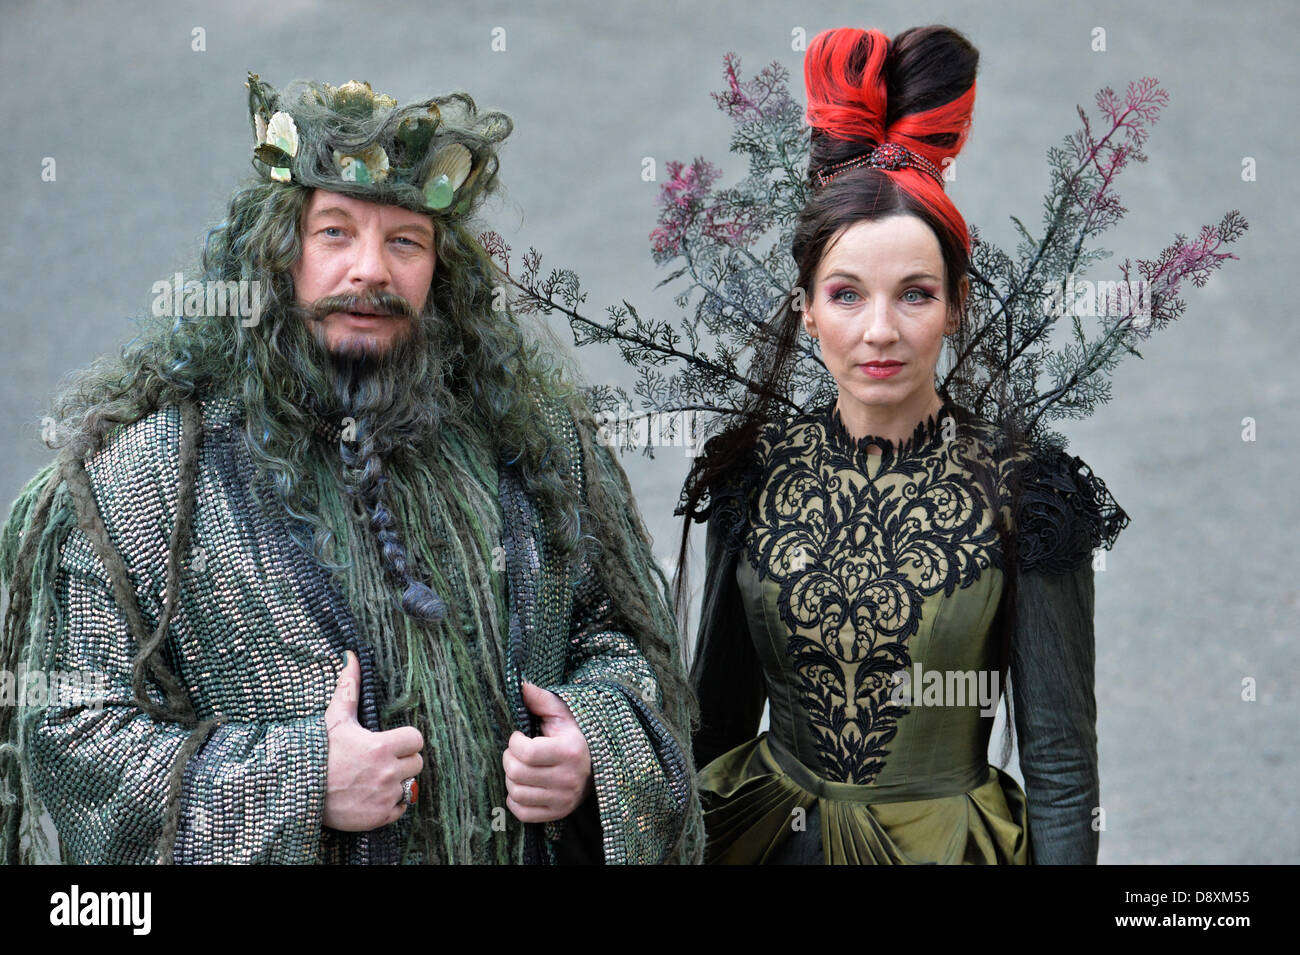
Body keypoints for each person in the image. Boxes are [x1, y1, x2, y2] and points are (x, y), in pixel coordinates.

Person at [0, 74, 703, 865]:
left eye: (405, 241)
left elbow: (622, 639)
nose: (371, 269)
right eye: (335, 232)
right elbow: (77, 731)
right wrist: (297, 785)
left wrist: (591, 743)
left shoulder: (531, 444)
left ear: (442, 273)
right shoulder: (149, 479)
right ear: (276, 253)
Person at [676, 26, 1127, 864]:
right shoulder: (751, 477)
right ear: (807, 308)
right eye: (847, 295)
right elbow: (718, 720)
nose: (879, 331)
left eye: (914, 295)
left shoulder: (1029, 494)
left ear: (956, 304)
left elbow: (1061, 764)